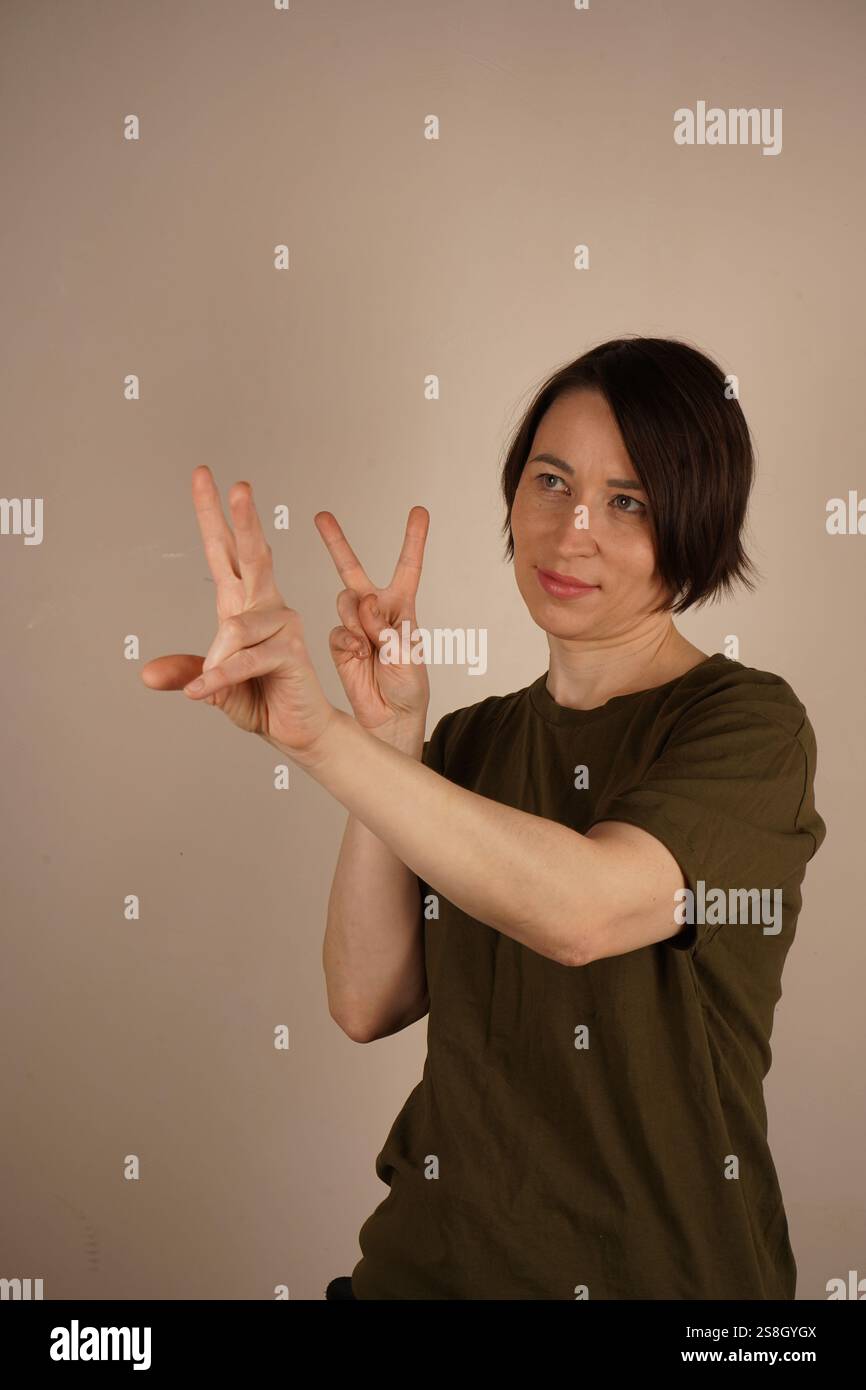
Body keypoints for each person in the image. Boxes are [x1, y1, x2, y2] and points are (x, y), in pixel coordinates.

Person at [142, 335, 826, 1300]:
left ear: (700, 525)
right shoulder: (470, 743)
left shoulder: (749, 725)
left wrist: (321, 742)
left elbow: (581, 912)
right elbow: (365, 1001)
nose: (573, 528)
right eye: (551, 480)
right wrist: (389, 739)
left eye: (628, 500)